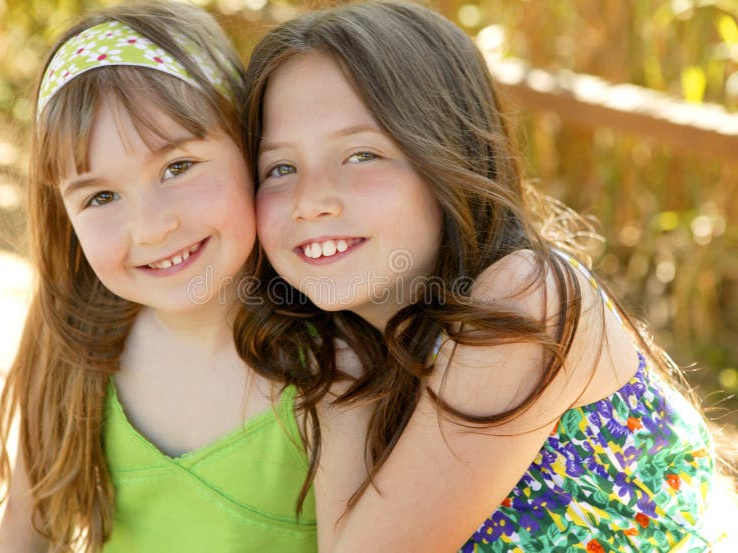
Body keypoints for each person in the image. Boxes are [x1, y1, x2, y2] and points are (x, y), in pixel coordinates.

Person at [236, 1, 734, 551]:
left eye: (361, 155)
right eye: (280, 168)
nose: (310, 201)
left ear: (450, 156)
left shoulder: (524, 301)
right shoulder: (357, 340)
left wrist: (340, 386)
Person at [0, 3, 317, 551]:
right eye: (102, 196)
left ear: (248, 143)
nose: (153, 227)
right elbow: (26, 531)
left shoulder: (334, 368)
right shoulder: (77, 346)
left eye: (177, 166)